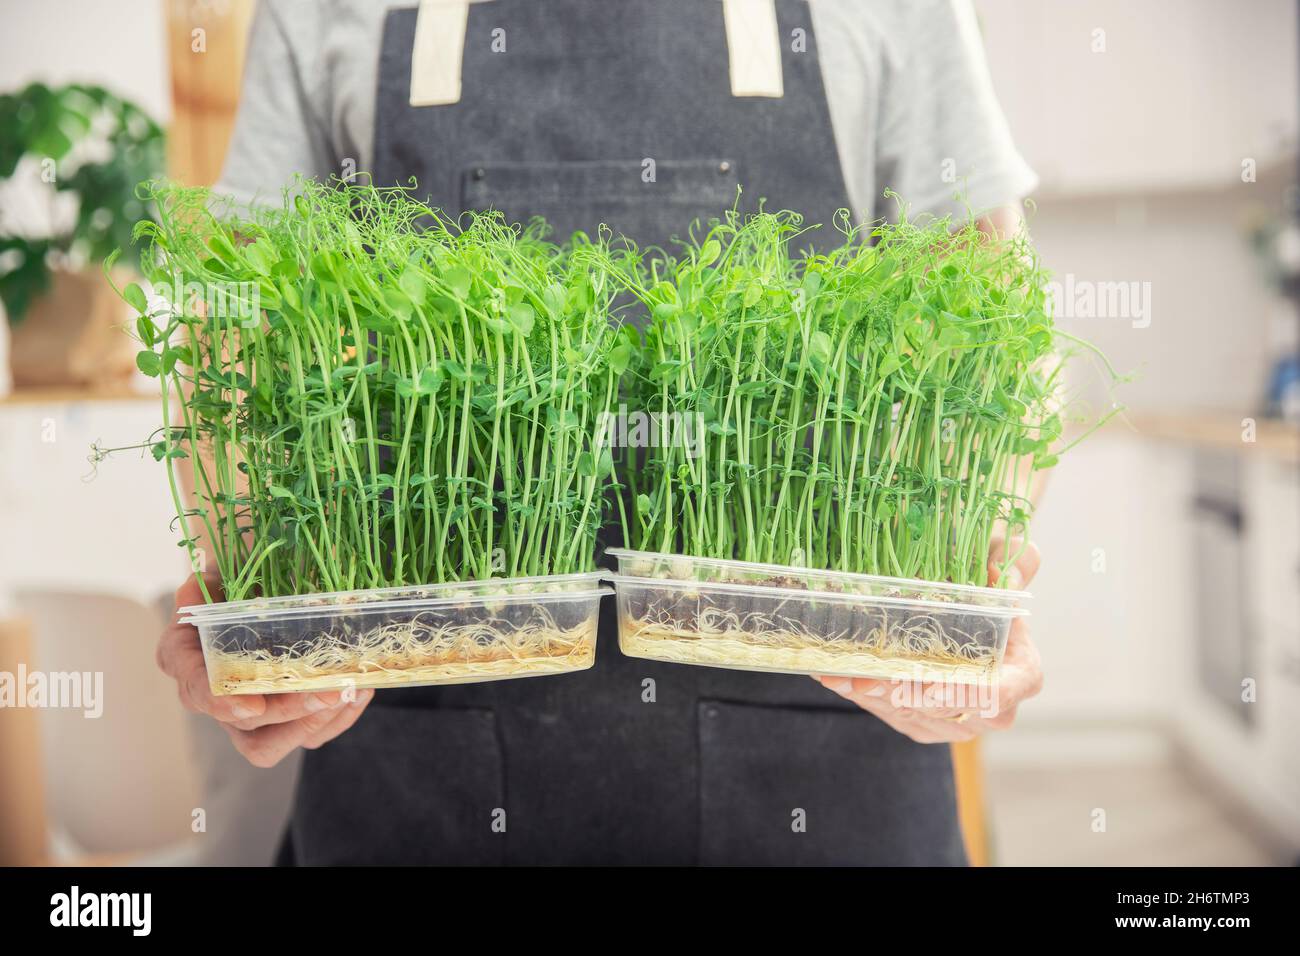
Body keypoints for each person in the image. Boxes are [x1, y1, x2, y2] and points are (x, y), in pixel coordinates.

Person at [159, 0, 1045, 865]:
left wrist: (977, 579)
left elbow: (991, 319)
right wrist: (248, 601)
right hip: (420, 755)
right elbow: (239, 323)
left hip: (823, 754)